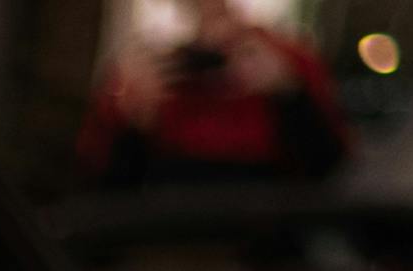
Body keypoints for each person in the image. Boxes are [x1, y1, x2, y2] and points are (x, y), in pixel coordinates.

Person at [71, 0, 352, 189]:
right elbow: (100, 186)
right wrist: (134, 119)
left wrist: (288, 92)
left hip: (267, 240)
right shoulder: (145, 69)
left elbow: (330, 170)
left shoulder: (288, 60)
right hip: (162, 238)